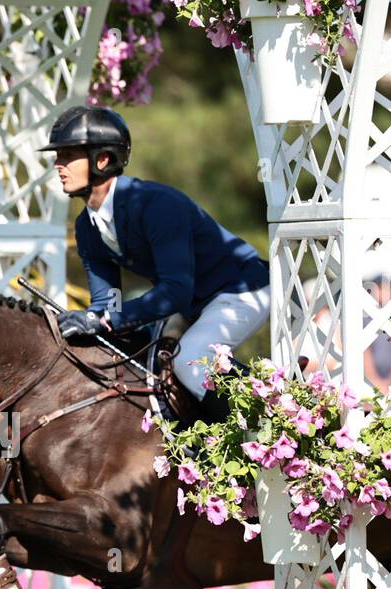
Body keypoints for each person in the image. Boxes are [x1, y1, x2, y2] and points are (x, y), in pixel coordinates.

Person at [38, 105, 272, 423]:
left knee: (191, 360)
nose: (58, 165)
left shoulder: (157, 205)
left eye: (67, 155)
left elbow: (174, 292)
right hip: (199, 305)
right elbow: (108, 304)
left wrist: (105, 320)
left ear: (102, 159)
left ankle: (269, 423)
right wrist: (83, 322)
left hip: (244, 288)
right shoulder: (86, 227)